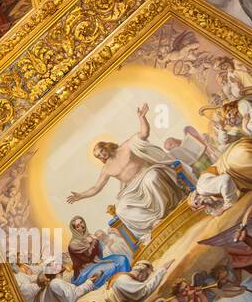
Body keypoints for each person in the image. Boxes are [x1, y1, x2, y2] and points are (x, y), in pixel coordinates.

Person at [67, 103, 188, 242]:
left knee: (152, 179)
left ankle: (167, 210)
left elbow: (144, 133)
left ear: (106, 146)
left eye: (102, 151)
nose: (102, 155)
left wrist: (142, 117)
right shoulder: (106, 169)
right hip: (131, 189)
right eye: (99, 156)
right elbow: (96, 188)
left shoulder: (125, 147)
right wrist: (81, 195)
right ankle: (153, 222)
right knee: (121, 208)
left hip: (146, 173)